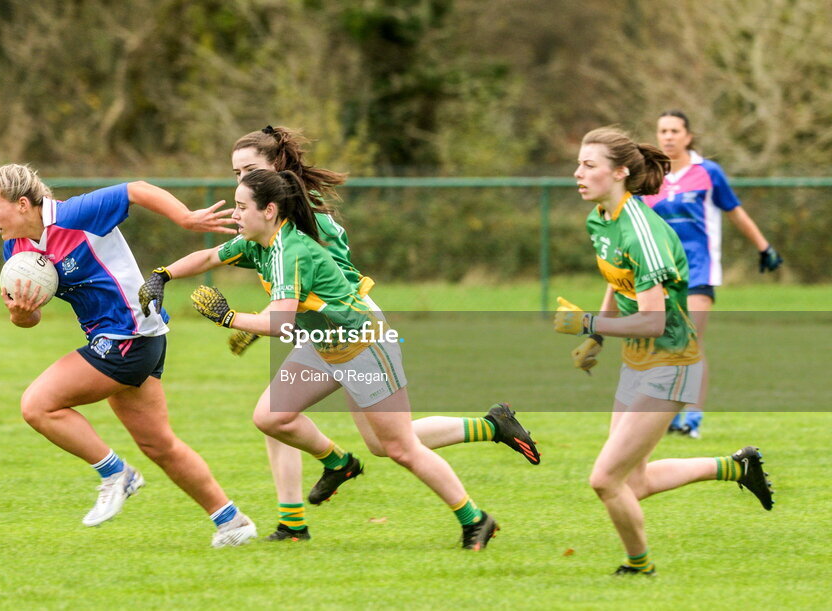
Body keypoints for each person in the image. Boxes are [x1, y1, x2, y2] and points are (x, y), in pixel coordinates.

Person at [142, 126, 540, 543]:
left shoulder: (305, 231)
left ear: (273, 183)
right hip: (321, 340)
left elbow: (311, 295)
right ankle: (318, 490)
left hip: (359, 340)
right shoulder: (262, 233)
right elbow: (222, 262)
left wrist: (240, 319)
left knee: (395, 445)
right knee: (276, 418)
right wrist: (162, 275)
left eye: (249, 173)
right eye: (237, 174)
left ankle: (475, 511)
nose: (240, 185)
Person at [0, 163, 256, 547]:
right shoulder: (16, 249)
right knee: (159, 444)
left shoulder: (76, 214)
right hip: (128, 339)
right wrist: (20, 314)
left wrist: (185, 217)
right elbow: (30, 319)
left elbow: (137, 189)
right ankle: (232, 522)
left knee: (38, 405)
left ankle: (115, 473)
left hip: (129, 335)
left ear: (23, 204)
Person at [556, 127, 774, 575]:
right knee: (632, 482)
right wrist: (597, 338)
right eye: (579, 163)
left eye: (589, 165)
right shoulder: (601, 218)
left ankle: (639, 567)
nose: (578, 173)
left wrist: (588, 323)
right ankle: (737, 467)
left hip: (671, 363)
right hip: (637, 360)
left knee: (605, 479)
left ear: (620, 172)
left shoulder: (643, 232)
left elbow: (654, 321)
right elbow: (616, 279)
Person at [642, 110, 783, 438]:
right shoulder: (651, 176)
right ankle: (666, 415)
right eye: (663, 131)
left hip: (699, 270)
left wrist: (764, 247)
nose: (668, 137)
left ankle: (692, 417)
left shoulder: (708, 172)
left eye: (675, 130)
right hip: (660, 272)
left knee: (690, 340)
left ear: (688, 136)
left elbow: (735, 213)